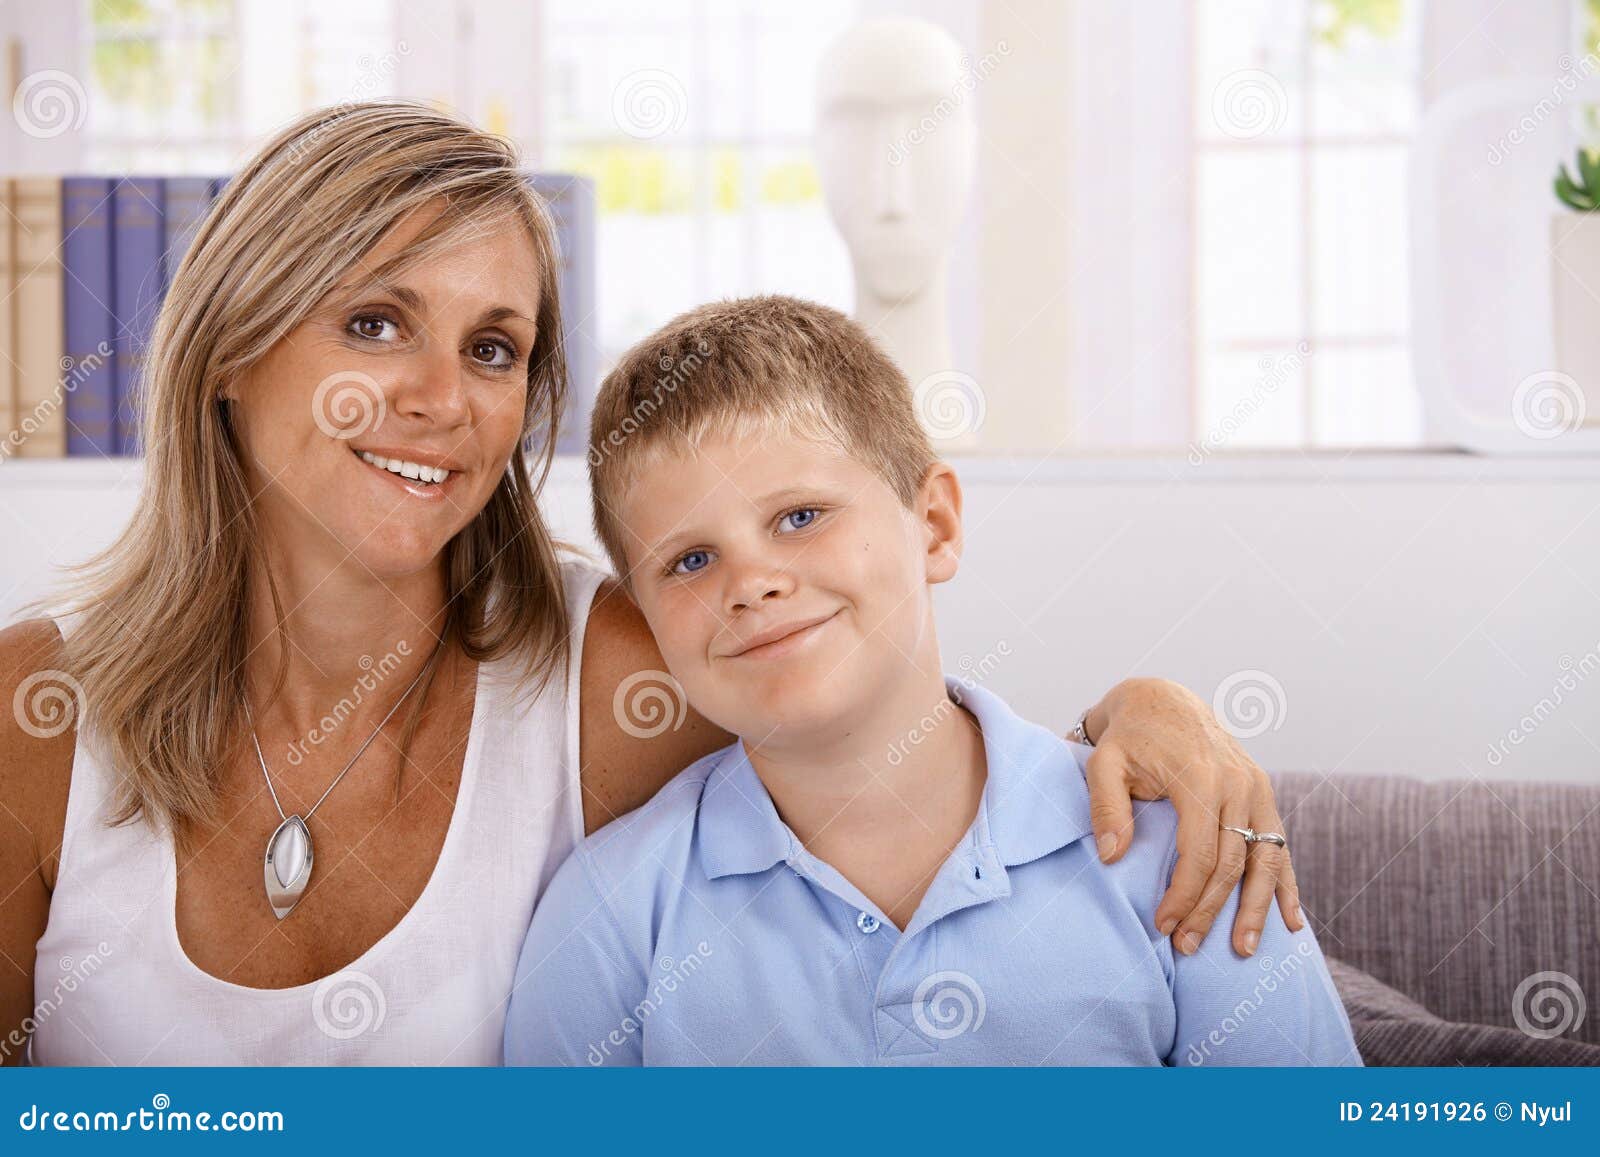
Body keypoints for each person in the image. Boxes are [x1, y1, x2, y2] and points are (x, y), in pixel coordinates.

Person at [1, 102, 1298, 1066]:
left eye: (494, 346)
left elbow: (879, 744)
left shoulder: (610, 675)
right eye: (376, 321)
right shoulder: (34, 719)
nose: (443, 400)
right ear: (231, 346)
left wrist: (1134, 715)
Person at [503, 296, 1357, 1066]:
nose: (751, 581)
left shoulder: (1175, 844)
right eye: (691, 559)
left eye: (799, 517)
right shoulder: (610, 915)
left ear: (935, 525)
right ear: (647, 620)